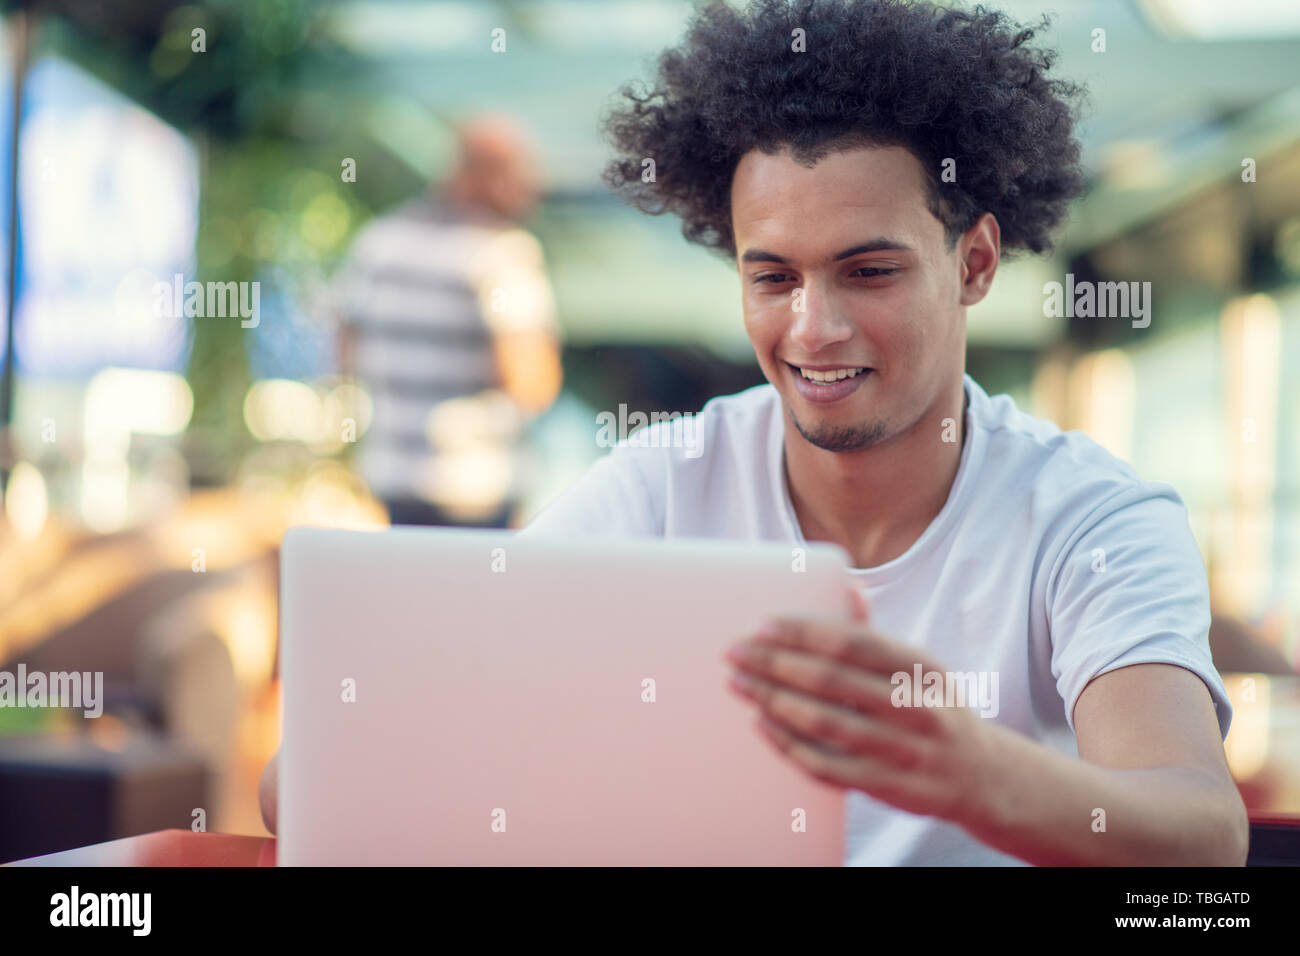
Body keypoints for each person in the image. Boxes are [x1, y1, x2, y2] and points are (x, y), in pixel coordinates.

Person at [263, 0, 1248, 866]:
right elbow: (300, 788)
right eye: (771, 277)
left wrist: (971, 769)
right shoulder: (660, 486)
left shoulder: (1090, 517)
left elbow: (1200, 832)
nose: (811, 327)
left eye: (869, 271)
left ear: (975, 263)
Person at [334, 113, 563, 527]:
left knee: (411, 589)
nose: (534, 189)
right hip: (478, 486)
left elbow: (344, 352)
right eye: (522, 174)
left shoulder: (378, 241)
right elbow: (532, 383)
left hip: (393, 476)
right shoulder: (502, 253)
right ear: (487, 176)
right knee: (480, 593)